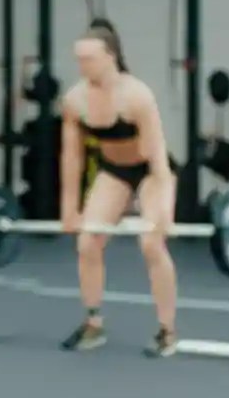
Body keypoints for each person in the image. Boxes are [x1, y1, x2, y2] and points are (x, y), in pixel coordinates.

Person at [58, 20, 180, 357]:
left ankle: (167, 331)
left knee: (151, 244)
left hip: (150, 171)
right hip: (114, 171)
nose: (82, 66)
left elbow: (158, 159)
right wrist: (70, 209)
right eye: (79, 59)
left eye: (89, 59)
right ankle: (94, 323)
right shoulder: (74, 100)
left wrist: (164, 211)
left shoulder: (137, 96)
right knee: (87, 242)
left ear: (110, 57)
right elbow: (72, 157)